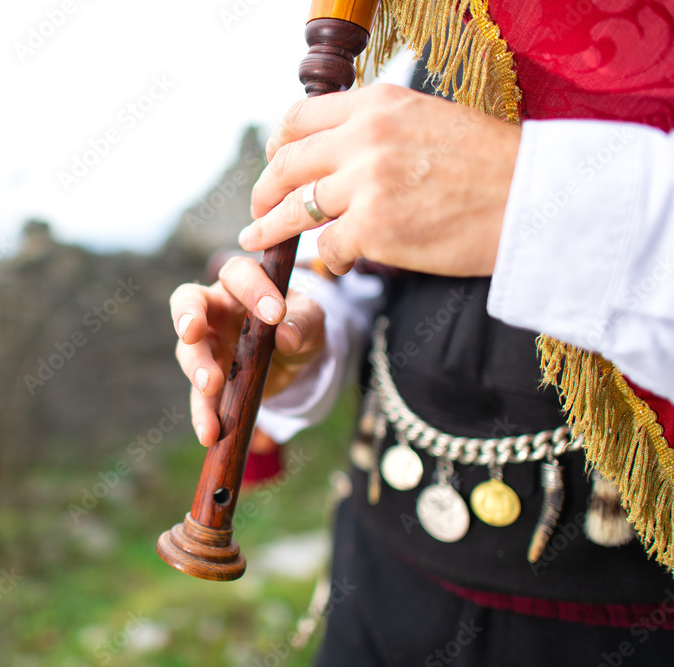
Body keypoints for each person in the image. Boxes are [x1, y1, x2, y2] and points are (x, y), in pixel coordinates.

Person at [169, 1, 674, 664]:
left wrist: (535, 199)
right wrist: (305, 333)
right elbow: (368, 263)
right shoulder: (436, 19)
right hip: (378, 580)